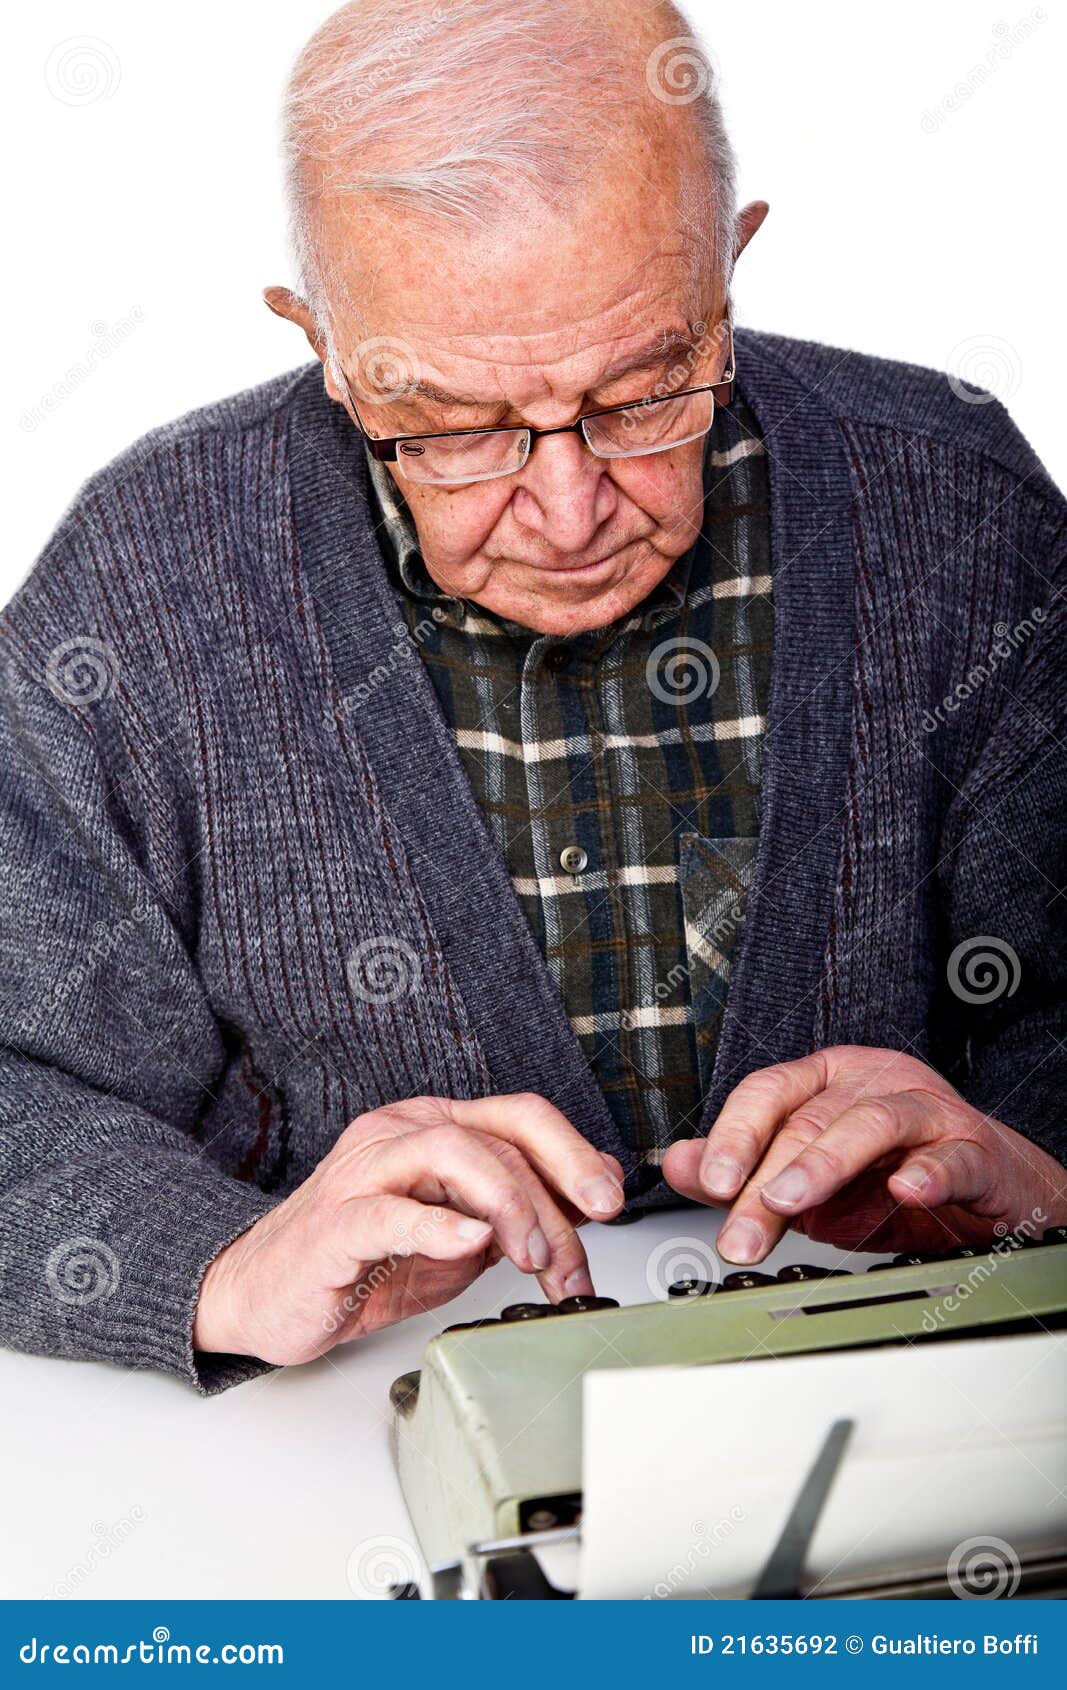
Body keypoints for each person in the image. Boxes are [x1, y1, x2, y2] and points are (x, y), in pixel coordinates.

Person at [1, 0, 1063, 1392]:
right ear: (324, 342)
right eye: (453, 429)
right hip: (328, 1459)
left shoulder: (957, 507)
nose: (567, 510)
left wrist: (1041, 1176)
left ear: (726, 278)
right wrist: (222, 1263)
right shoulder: (147, 577)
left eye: (642, 393)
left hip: (911, 1408)